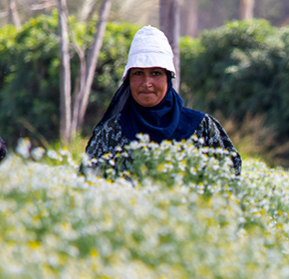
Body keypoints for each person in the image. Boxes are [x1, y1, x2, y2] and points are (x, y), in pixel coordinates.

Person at [84, 26, 241, 177]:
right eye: (138, 73)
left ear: (168, 78)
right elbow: (88, 182)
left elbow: (230, 176)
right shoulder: (112, 132)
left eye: (155, 73)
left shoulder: (201, 127)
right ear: (128, 79)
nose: (147, 82)